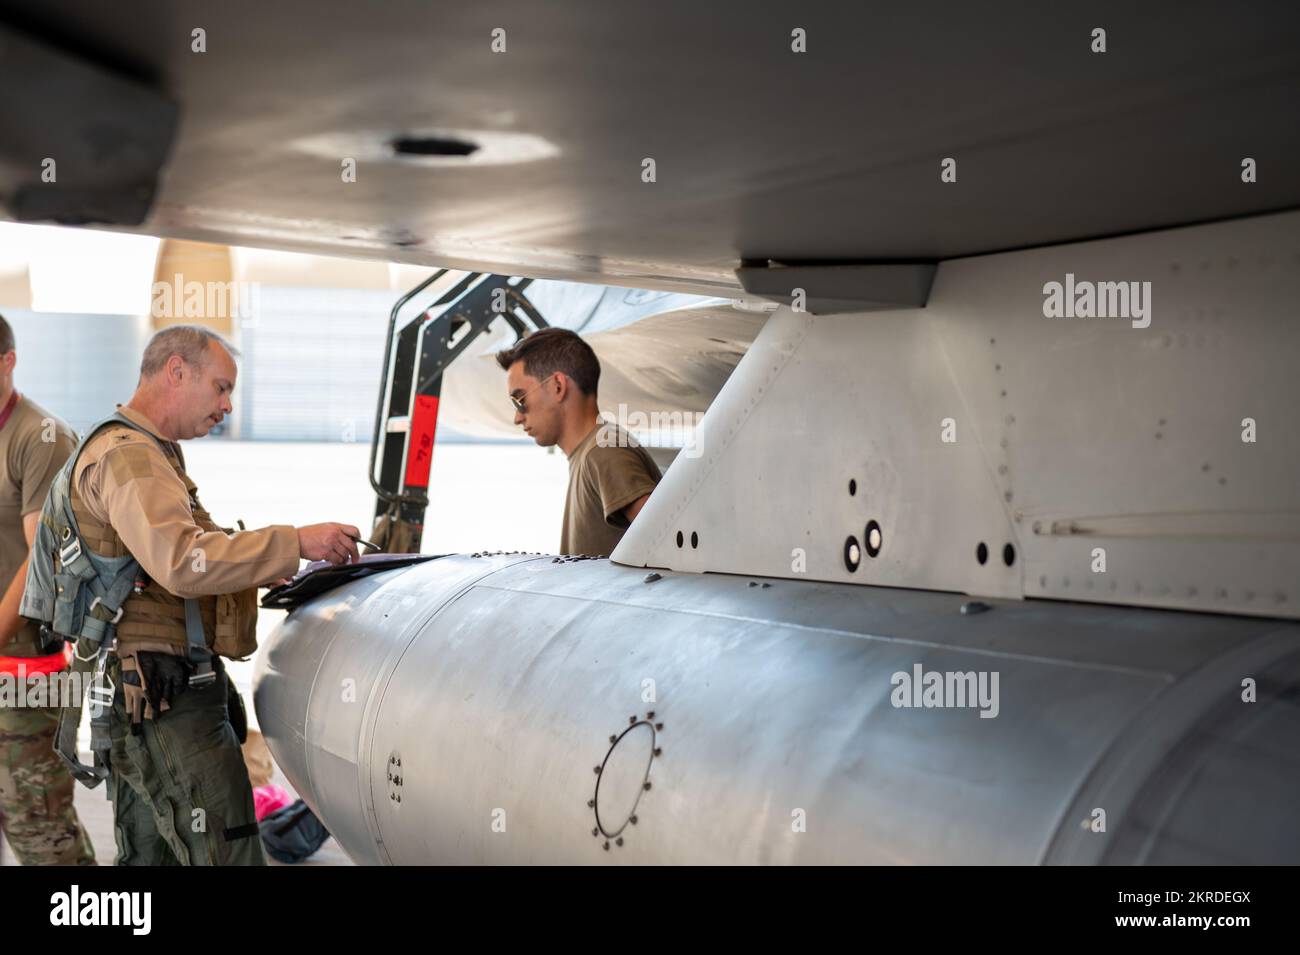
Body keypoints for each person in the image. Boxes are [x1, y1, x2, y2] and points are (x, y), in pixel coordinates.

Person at [26, 324, 361, 865]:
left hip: (145, 698)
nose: (227, 405)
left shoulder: (146, 452)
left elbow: (183, 552)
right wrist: (294, 542)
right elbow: (182, 561)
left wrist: (255, 567)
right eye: (221, 387)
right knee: (224, 852)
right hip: (167, 701)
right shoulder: (131, 457)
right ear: (176, 372)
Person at [0, 314, 96, 865]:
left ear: (8, 361)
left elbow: (43, 556)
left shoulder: (41, 438)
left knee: (41, 831)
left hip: (26, 677)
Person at [496, 328, 661, 556]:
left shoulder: (604, 452)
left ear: (558, 386)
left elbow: (671, 537)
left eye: (519, 400)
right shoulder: (592, 452)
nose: (517, 417)